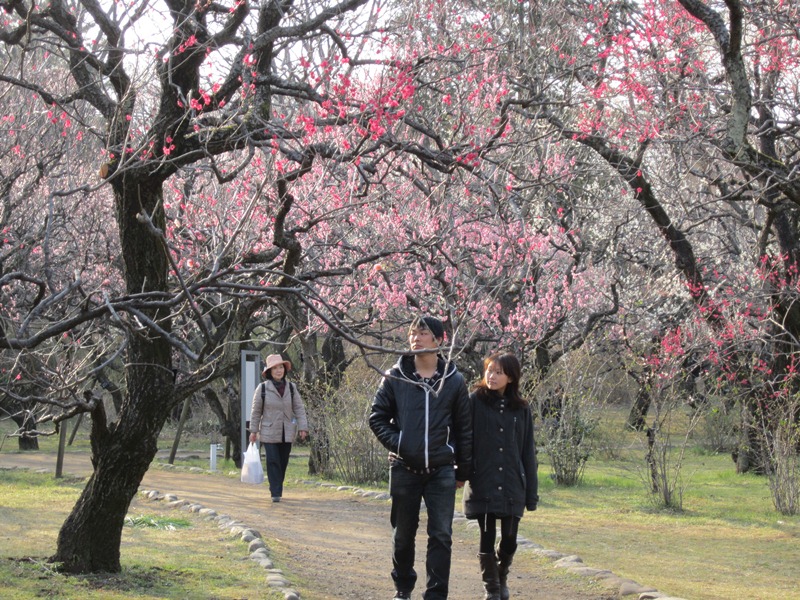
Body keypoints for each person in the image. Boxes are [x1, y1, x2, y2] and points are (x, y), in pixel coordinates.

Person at [369, 315, 473, 600]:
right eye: (413, 333)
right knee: (403, 535)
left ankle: (436, 594)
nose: (416, 338)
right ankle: (403, 589)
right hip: (404, 468)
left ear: (439, 341)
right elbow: (377, 418)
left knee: (441, 535)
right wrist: (400, 443)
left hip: (441, 470)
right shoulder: (395, 376)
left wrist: (462, 470)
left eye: (423, 333)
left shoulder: (454, 380)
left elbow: (465, 428)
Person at [463, 352, 538, 600]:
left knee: (509, 539)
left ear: (511, 377)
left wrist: (531, 493)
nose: (491, 376)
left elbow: (528, 451)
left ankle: (502, 573)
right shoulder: (475, 401)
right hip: (483, 479)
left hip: (512, 482)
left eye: (498, 372)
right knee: (487, 535)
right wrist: (465, 472)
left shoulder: (522, 409)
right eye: (489, 370)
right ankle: (492, 590)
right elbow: (465, 440)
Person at [249, 353, 308, 503]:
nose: (278, 370)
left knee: (283, 461)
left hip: (287, 431)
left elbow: (299, 408)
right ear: (269, 371)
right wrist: (253, 431)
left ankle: (276, 486)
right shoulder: (262, 388)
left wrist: (303, 427)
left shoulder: (291, 388)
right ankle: (275, 491)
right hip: (269, 431)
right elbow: (256, 412)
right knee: (273, 460)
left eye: (280, 367)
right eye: (274, 368)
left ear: (284, 369)